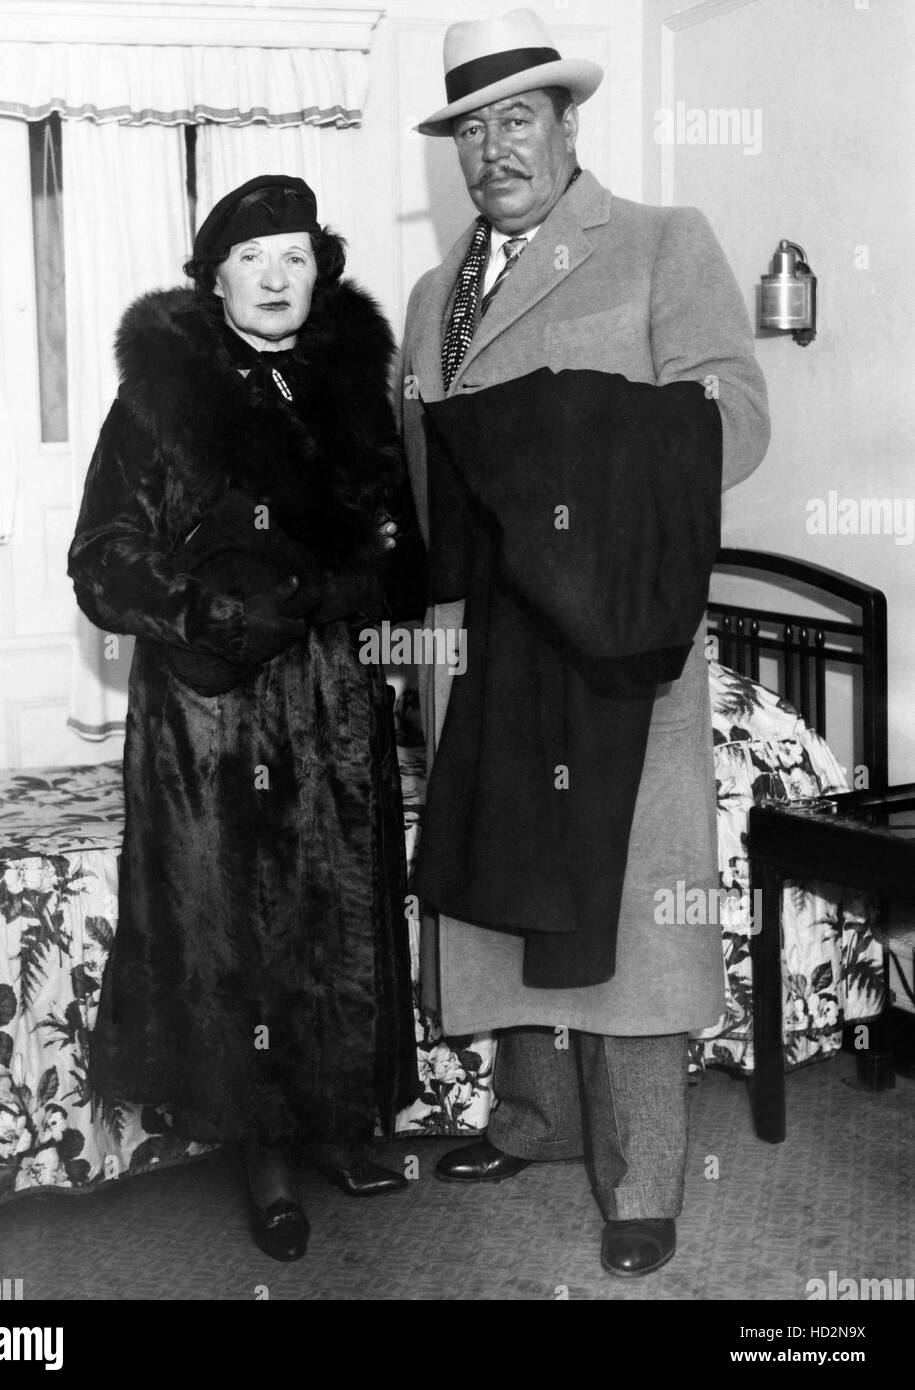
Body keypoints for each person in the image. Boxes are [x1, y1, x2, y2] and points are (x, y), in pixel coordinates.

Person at [400, 9, 770, 1277]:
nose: (491, 147)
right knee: (498, 874)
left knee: (626, 909)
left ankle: (642, 1182)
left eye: (517, 118)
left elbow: (733, 412)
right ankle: (530, 1117)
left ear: (567, 125)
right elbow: (420, 487)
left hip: (613, 632)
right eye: (470, 128)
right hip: (482, 640)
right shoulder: (429, 293)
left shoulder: (664, 243)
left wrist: (566, 443)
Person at [68, 175, 428, 1263]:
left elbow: (405, 550)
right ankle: (264, 1148)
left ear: (320, 271)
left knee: (343, 904)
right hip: (211, 709)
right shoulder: (159, 398)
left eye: (296, 257)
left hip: (332, 695)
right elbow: (100, 560)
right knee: (245, 917)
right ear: (213, 275)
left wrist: (348, 590)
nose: (276, 278)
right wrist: (210, 611)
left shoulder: (357, 388)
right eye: (252, 257)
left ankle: (340, 1118)